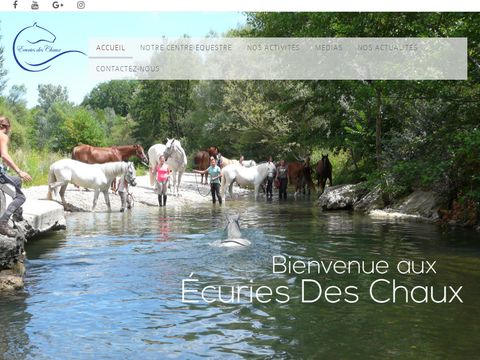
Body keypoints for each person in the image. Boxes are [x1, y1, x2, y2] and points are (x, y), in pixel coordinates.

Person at [0, 116, 32, 237]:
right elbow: (4, 155)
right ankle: (2, 223)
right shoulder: (3, 136)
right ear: (7, 127)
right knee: (21, 198)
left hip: (1, 174)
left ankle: (17, 214)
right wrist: (19, 171)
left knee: (17, 181)